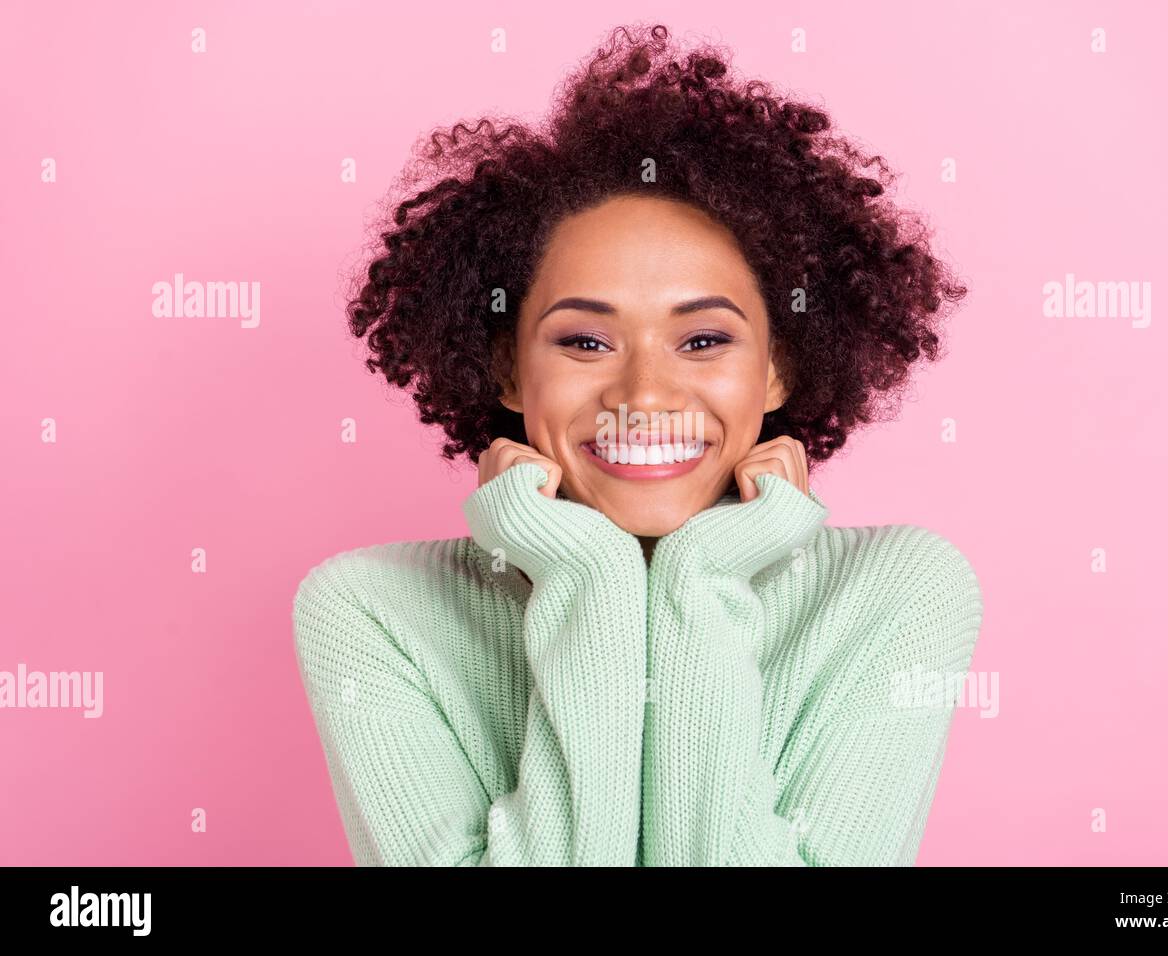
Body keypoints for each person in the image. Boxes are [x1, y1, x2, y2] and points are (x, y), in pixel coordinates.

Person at [292, 22, 983, 866]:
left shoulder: (898, 593)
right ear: (508, 371)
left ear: (778, 370)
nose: (644, 395)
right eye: (585, 342)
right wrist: (590, 577)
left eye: (703, 342)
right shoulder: (372, 614)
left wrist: (703, 576)